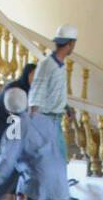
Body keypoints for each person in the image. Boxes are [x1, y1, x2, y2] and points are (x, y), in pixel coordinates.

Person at [0, 63, 37, 200]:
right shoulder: (15, 90)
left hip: (16, 128)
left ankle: (3, 193)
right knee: (10, 159)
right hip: (3, 124)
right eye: (32, 74)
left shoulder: (29, 96)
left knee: (13, 160)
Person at [28, 25, 76, 159]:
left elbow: (53, 91)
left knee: (58, 161)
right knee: (53, 161)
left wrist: (66, 107)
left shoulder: (60, 65)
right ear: (71, 43)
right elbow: (36, 93)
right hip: (46, 120)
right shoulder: (47, 64)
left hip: (55, 120)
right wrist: (34, 124)